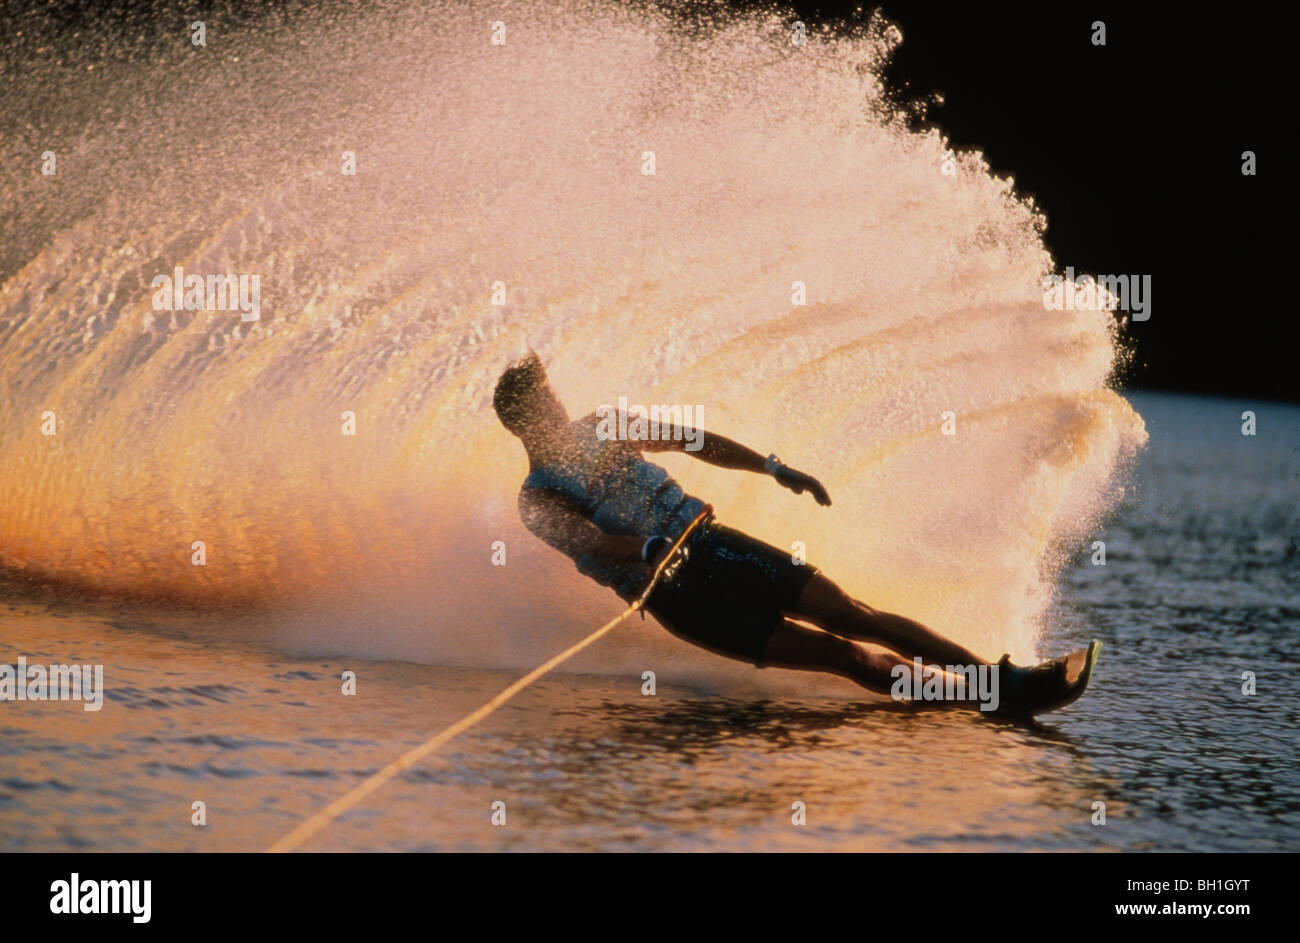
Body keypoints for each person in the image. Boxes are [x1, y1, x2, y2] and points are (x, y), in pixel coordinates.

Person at [494, 352, 1067, 712]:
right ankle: (975, 700)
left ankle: (996, 681)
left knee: (852, 613)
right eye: (547, 398)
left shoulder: (605, 425)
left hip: (716, 544)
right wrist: (646, 548)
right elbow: (589, 542)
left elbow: (694, 440)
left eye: (554, 391)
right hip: (677, 596)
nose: (559, 400)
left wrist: (770, 467)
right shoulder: (537, 497)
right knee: (841, 654)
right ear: (529, 418)